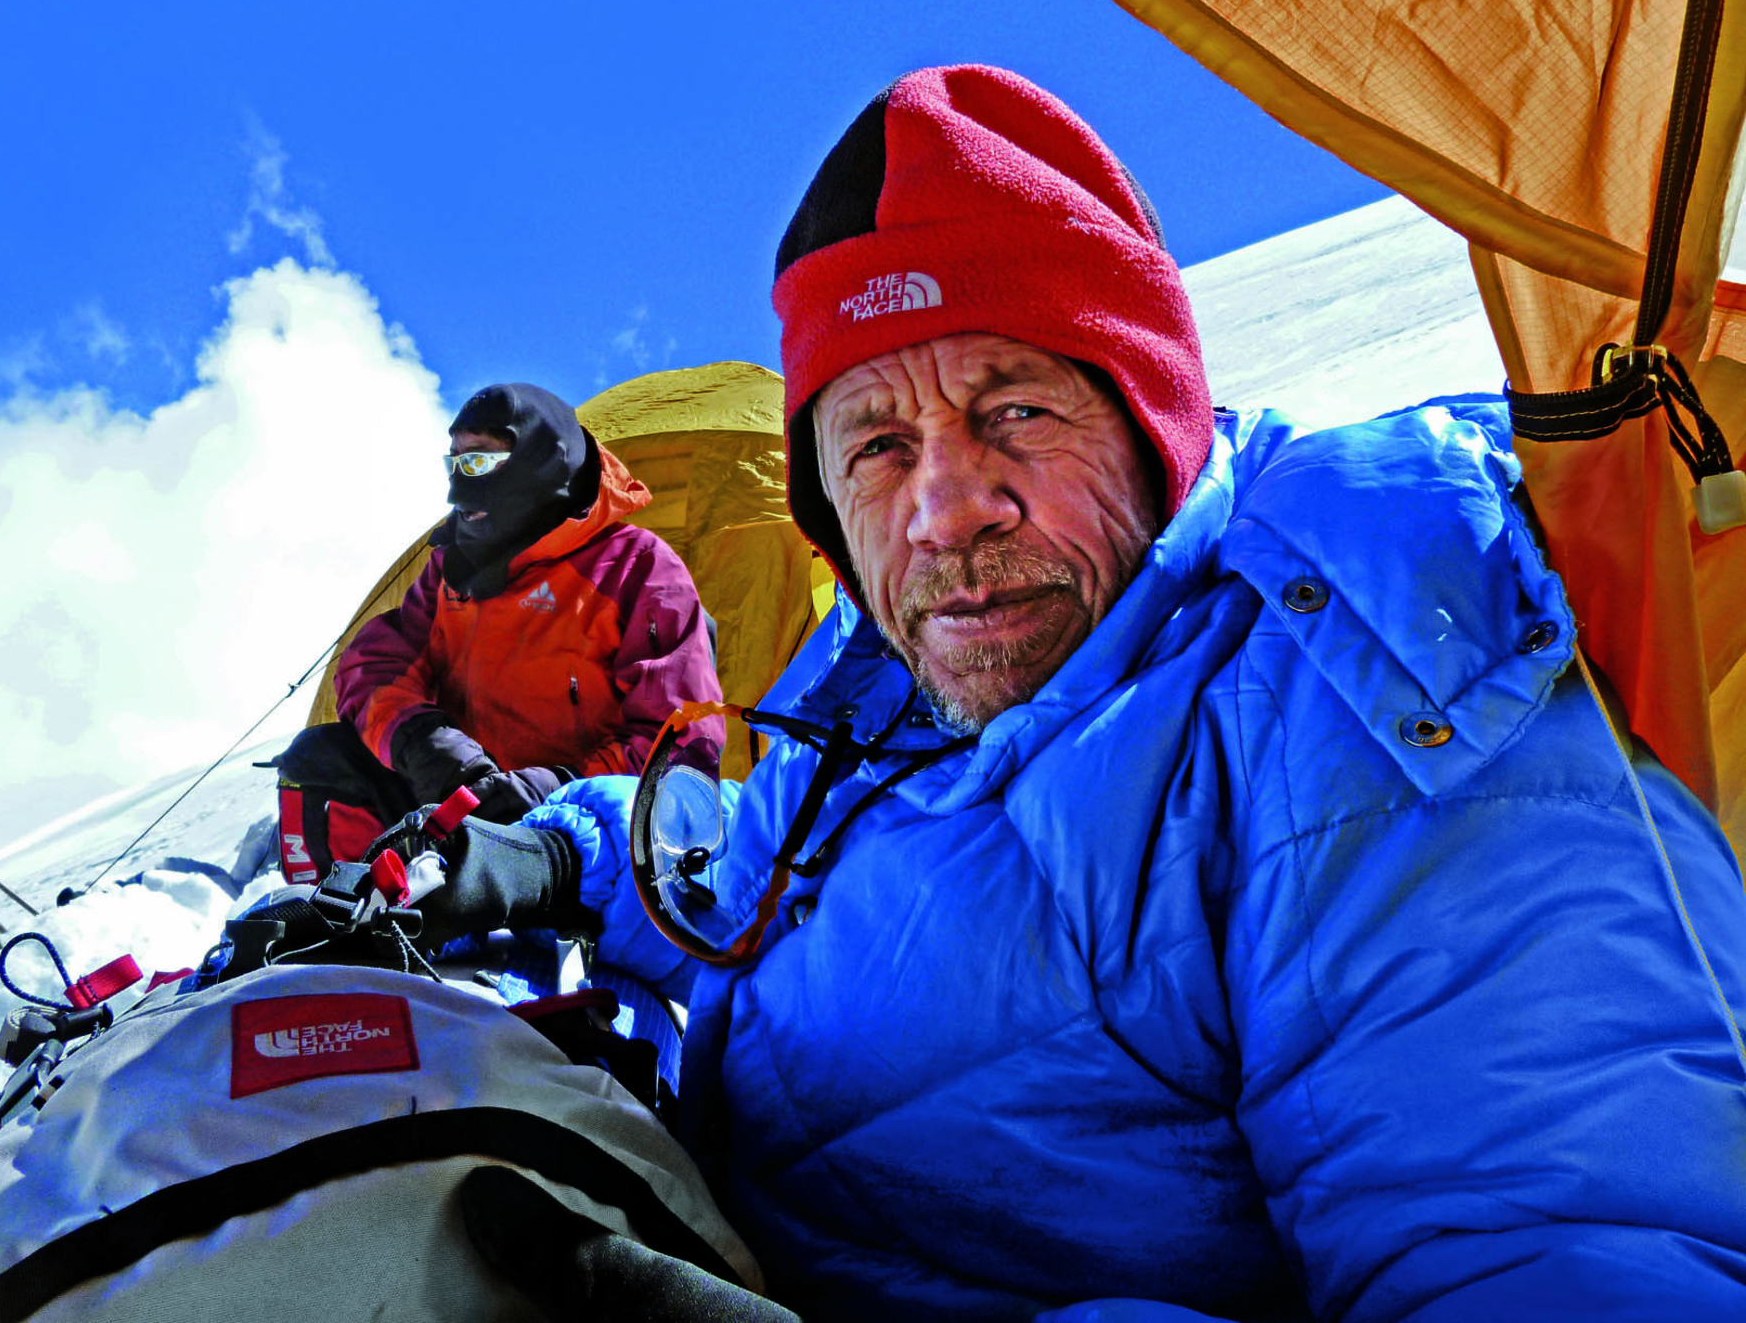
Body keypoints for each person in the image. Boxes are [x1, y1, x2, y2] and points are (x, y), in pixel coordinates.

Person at [439, 66, 1746, 1321]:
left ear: (1148, 416)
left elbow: (1551, 1256)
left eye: (1012, 410)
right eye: (880, 446)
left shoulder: (1366, 685)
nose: (947, 509)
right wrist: (565, 852)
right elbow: (741, 880)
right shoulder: (883, 697)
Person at [275, 382, 723, 880]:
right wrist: (424, 743)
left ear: (541, 461)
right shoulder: (453, 570)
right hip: (458, 806)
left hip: (573, 832)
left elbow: (679, 741)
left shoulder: (636, 569)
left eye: (481, 462)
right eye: (455, 464)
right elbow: (375, 665)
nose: (458, 489)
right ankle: (335, 928)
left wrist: (548, 789)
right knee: (320, 760)